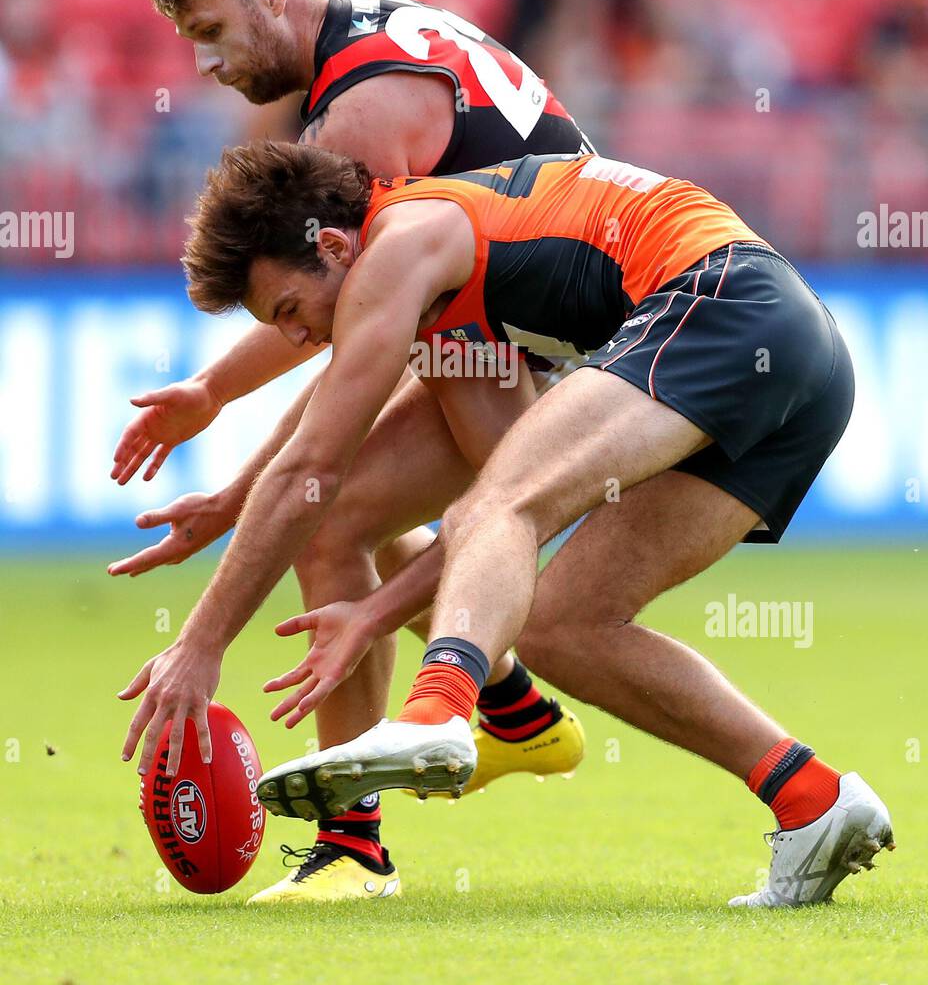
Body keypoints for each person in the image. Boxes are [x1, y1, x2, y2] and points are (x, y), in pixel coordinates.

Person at [122, 138, 893, 909]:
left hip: (721, 302)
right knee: (563, 624)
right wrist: (376, 612)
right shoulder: (461, 320)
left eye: (290, 310)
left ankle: (437, 708)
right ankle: (812, 801)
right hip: (804, 363)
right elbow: (499, 533)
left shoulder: (403, 242)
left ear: (332, 244)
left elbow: (311, 471)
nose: (300, 340)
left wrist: (200, 646)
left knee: (504, 498)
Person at [112, 0, 593, 903]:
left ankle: (356, 848)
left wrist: (228, 538)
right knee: (346, 517)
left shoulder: (356, 122)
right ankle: (507, 706)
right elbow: (333, 318)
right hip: (517, 330)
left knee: (329, 519)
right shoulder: (375, 38)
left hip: (553, 343)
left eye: (211, 31)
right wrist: (211, 393)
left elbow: (341, 342)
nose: (206, 63)